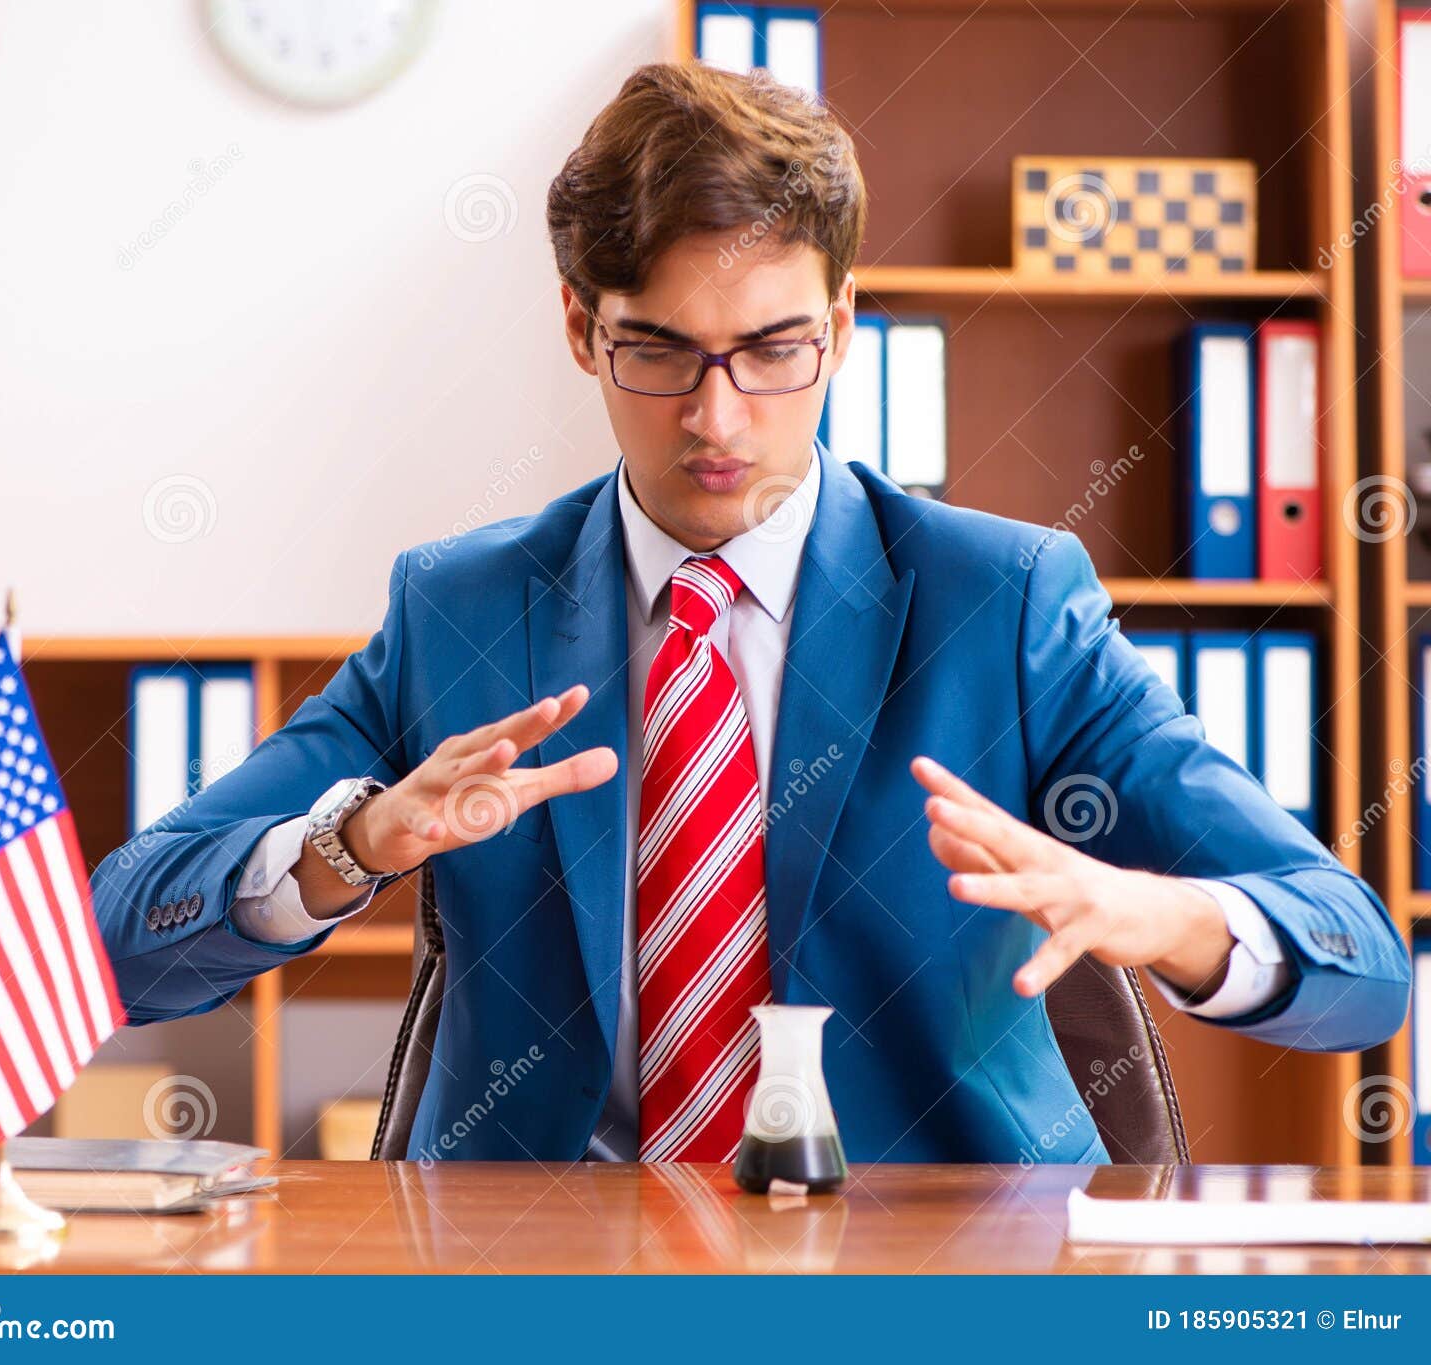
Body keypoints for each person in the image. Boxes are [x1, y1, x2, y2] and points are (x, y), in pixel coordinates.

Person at [91, 63, 1408, 1166]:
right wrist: (350, 845)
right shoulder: (462, 610)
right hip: (547, 1276)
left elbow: (1358, 959)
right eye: (657, 350)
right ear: (577, 327)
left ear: (839, 327)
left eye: (774, 351)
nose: (717, 421)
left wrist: (1152, 910)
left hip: (934, 1283)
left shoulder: (1000, 603)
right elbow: (120, 935)